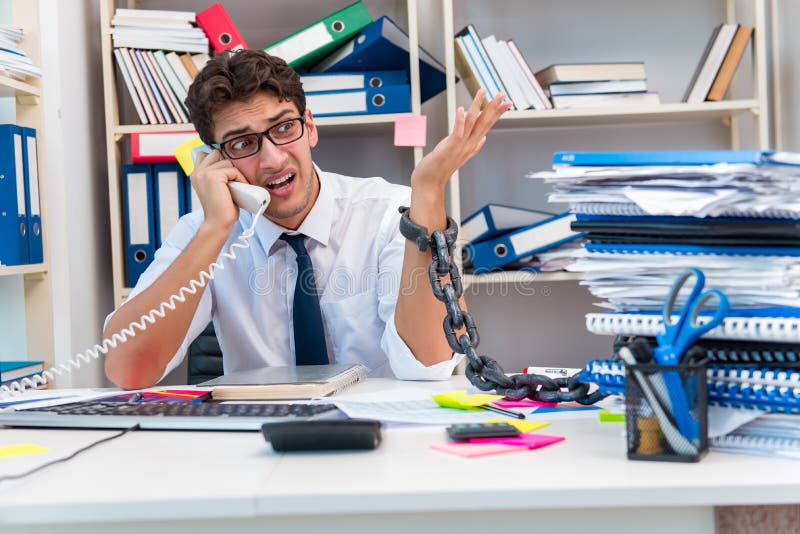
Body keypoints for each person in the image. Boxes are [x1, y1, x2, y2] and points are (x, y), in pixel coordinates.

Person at [104, 49, 510, 390]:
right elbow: (128, 370)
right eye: (243, 143)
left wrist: (428, 192)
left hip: (384, 443)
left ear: (309, 127)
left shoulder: (392, 213)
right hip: (256, 447)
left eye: (283, 128)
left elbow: (427, 365)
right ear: (215, 160)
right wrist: (214, 230)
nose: (272, 159)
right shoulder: (203, 233)